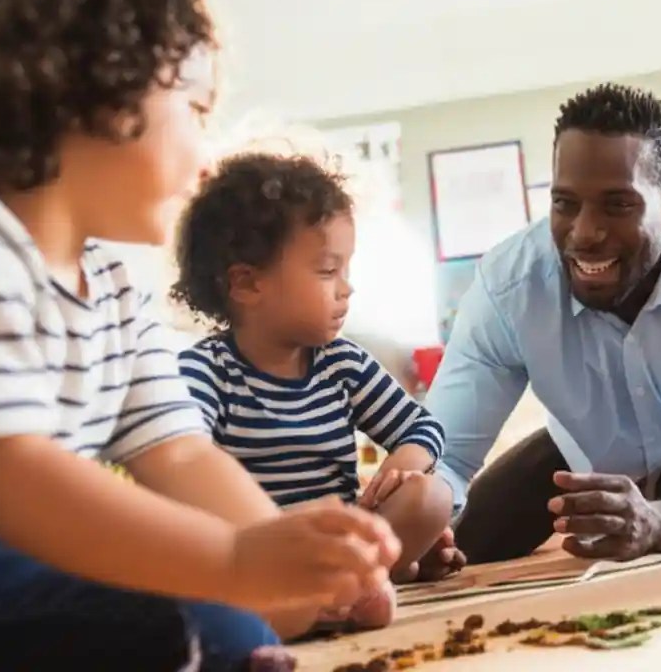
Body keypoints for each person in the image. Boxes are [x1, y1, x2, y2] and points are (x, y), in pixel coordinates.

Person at [0, 0, 399, 669]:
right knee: (195, 622)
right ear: (97, 96)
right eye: (195, 109)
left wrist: (298, 569)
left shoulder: (112, 285)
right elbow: (1, 471)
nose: (207, 158)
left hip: (10, 572)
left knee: (227, 620)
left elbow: (177, 452)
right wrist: (236, 562)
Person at [427, 83, 661, 564]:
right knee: (461, 542)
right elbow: (443, 457)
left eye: (618, 205)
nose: (584, 234)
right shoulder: (509, 287)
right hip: (578, 455)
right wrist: (423, 524)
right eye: (565, 203)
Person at [173, 151, 462, 637]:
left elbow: (422, 426)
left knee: (430, 497)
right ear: (248, 283)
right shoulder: (207, 371)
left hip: (339, 540)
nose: (346, 290)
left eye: (346, 271)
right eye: (328, 272)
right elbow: (185, 459)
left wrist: (404, 467)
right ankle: (345, 592)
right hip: (258, 549)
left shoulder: (340, 362)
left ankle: (348, 589)